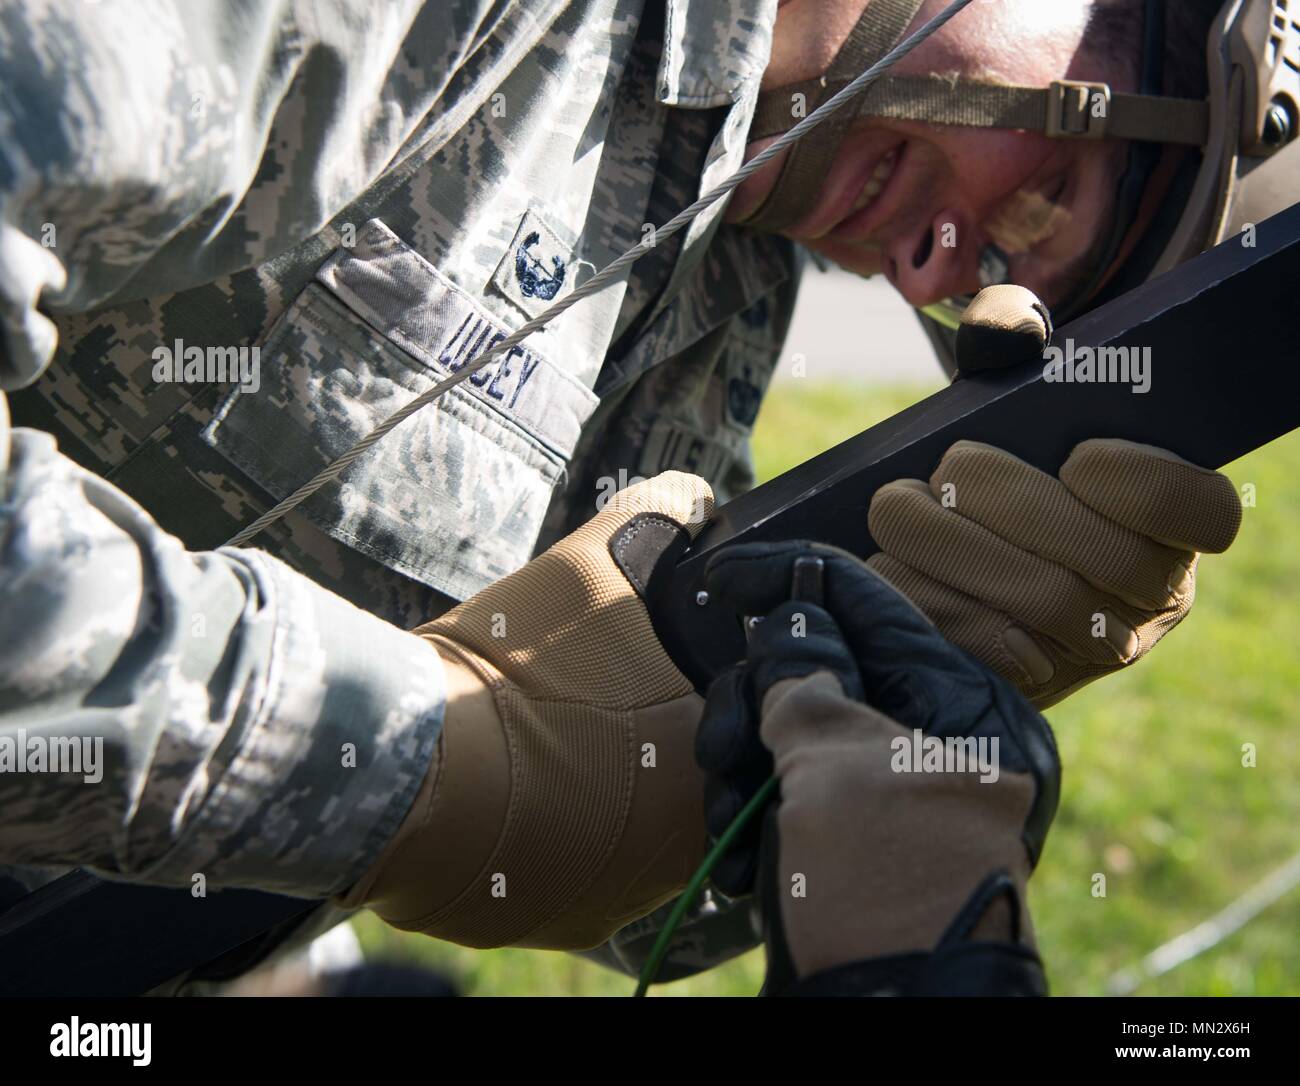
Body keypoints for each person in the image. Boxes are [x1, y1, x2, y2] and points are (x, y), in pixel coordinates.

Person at [0, 0, 1282, 988]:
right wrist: (414, 773)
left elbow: (612, 886)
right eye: (1048, 193)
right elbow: (475, 785)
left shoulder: (732, 248)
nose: (924, 271)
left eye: (996, 283)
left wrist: (880, 699)